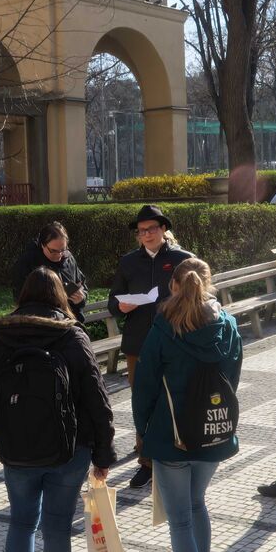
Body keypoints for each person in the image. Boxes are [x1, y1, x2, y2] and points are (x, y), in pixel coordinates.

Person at [0, 267, 118, 552]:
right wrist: (103, 454)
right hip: (70, 450)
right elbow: (98, 400)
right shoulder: (72, 335)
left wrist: (2, 433)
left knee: (21, 524)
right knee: (57, 529)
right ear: (60, 297)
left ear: (23, 296)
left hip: (17, 452)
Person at [132, 258, 242, 552]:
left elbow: (144, 385)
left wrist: (142, 430)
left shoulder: (165, 326)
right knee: (197, 503)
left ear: (173, 286)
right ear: (208, 284)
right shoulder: (227, 325)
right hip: (213, 431)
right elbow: (232, 377)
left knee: (179, 518)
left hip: (172, 436)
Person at [108, 204, 195, 488]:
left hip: (174, 342)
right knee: (142, 401)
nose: (146, 234)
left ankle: (176, 451)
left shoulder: (183, 260)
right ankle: (146, 460)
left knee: (173, 398)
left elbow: (197, 297)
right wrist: (121, 306)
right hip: (138, 344)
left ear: (163, 229)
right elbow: (113, 301)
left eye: (152, 229)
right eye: (141, 231)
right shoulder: (128, 262)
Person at [10, 222, 89, 323]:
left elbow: (82, 285)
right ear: (42, 245)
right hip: (43, 323)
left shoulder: (69, 258)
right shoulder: (28, 262)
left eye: (63, 249)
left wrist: (81, 299)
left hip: (72, 322)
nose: (59, 255)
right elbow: (21, 299)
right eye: (53, 251)